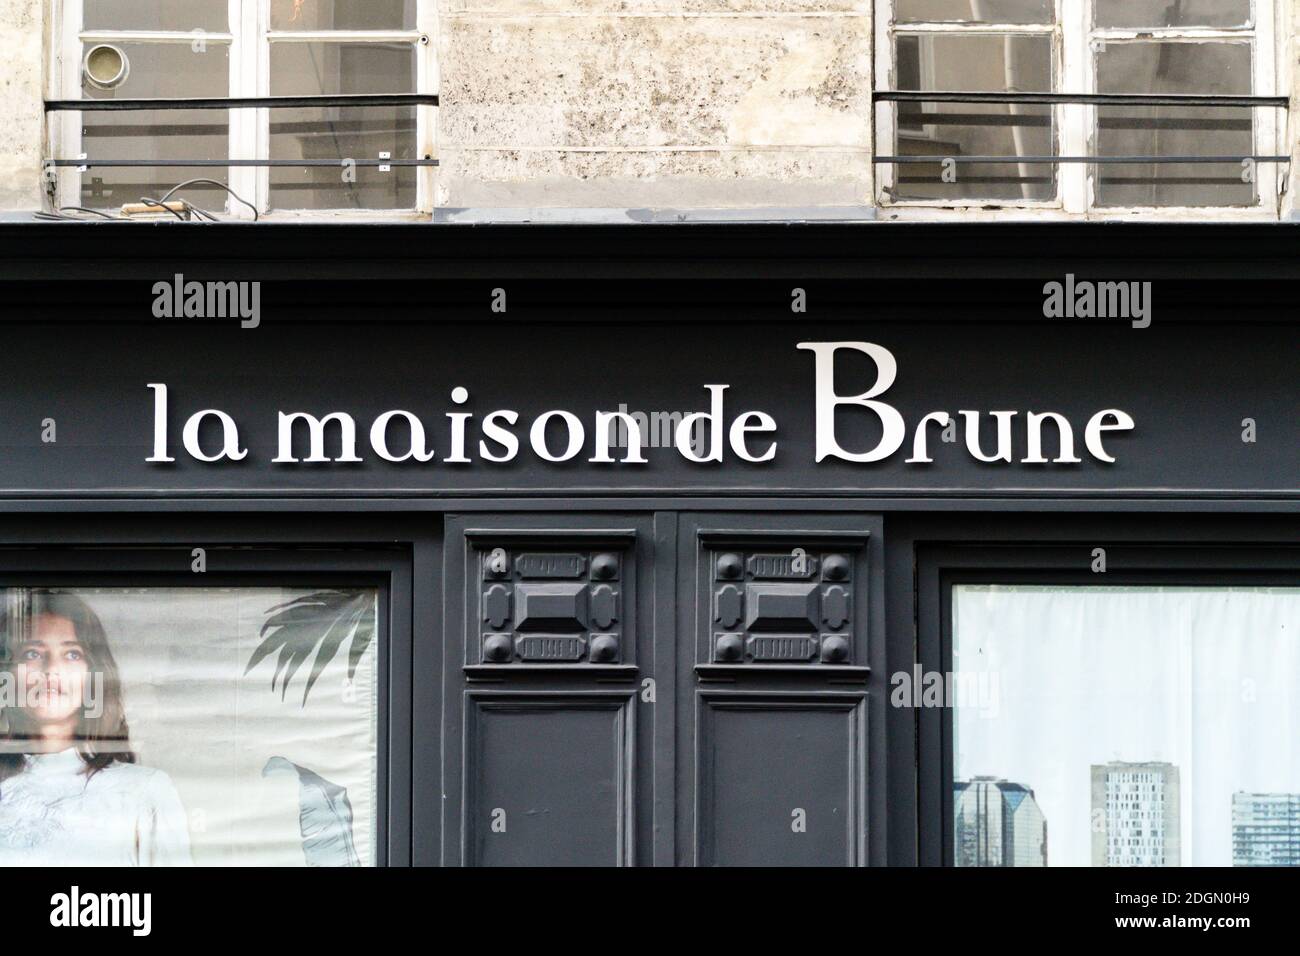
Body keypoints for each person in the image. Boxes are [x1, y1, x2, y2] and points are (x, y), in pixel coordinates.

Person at [0, 590, 192, 865]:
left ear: (93, 674)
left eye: (71, 654)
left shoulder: (144, 791)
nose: (52, 669)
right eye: (33, 653)